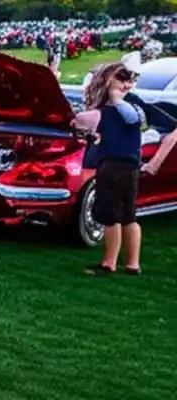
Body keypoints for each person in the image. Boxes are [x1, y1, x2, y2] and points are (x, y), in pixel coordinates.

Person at [75, 61, 151, 275]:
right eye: (123, 80)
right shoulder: (133, 105)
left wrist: (116, 96)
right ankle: (132, 264)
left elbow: (131, 119)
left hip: (113, 166)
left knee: (112, 216)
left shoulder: (118, 108)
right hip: (131, 166)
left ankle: (109, 263)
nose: (127, 85)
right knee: (128, 216)